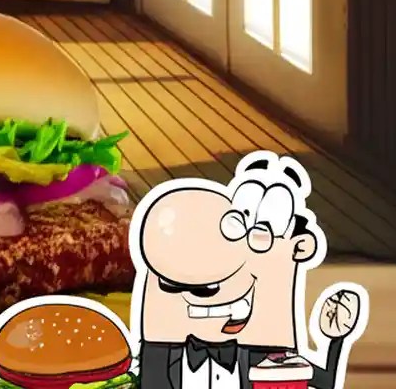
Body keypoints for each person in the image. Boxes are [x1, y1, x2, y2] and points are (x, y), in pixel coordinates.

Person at [128, 151, 367, 389]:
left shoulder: (273, 359)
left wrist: (335, 339)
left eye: (258, 238)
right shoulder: (162, 351)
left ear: (300, 248)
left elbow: (322, 380)